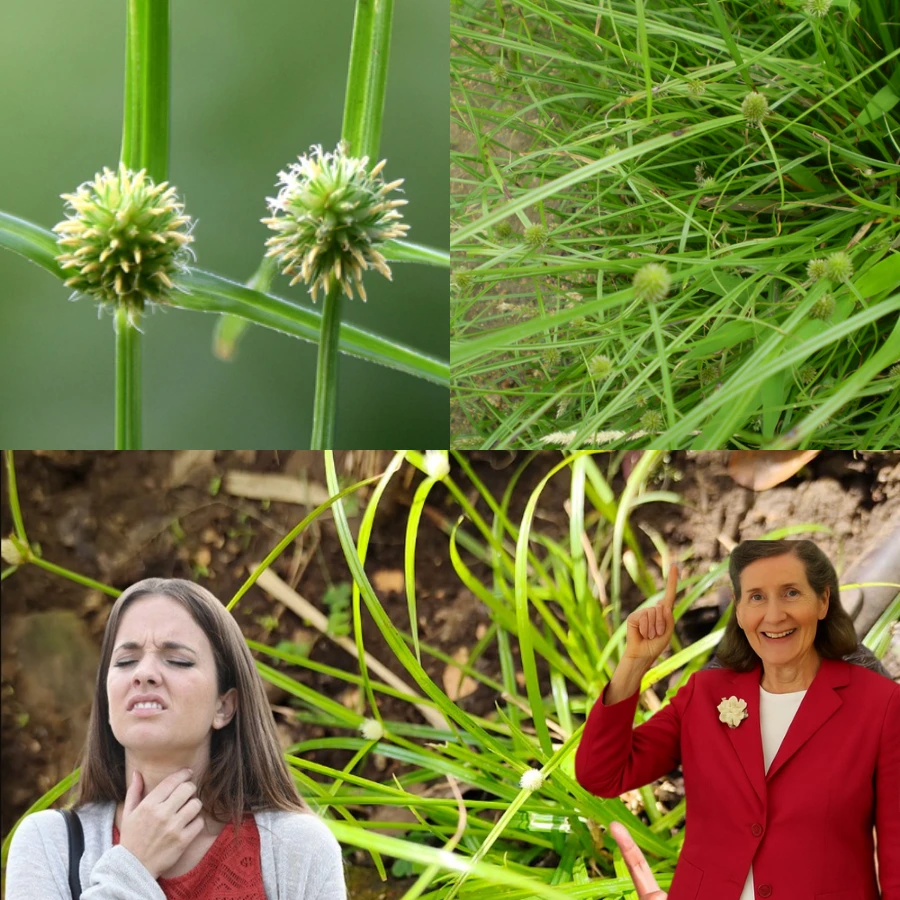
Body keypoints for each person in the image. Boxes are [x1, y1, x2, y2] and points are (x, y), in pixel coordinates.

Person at [575, 540, 899, 900]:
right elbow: (602, 773)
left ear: (823, 600)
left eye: (791, 592)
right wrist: (634, 664)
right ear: (740, 610)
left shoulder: (877, 705)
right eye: (756, 597)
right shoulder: (705, 695)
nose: (774, 616)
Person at [6, 577, 347, 899]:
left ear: (224, 706)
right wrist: (131, 866)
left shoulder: (299, 849)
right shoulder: (48, 844)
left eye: (178, 660)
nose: (144, 674)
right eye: (125, 661)